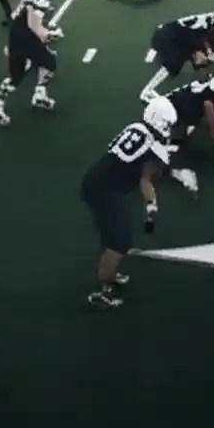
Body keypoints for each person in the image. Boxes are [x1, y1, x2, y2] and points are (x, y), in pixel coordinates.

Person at [81, 97, 188, 309]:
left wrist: (151, 206)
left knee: (112, 233)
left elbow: (143, 177)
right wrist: (177, 175)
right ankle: (103, 291)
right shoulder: (156, 148)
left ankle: (109, 274)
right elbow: (148, 177)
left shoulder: (136, 126)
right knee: (119, 242)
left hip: (95, 178)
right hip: (107, 190)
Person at [0, 0, 63, 126]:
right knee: (50, 62)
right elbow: (33, 25)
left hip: (15, 33)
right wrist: (49, 34)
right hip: (27, 38)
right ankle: (39, 94)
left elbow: (23, 14)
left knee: (15, 76)